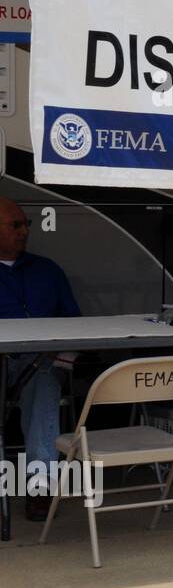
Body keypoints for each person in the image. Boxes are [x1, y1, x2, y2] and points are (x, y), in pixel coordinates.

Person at [0, 197, 82, 520]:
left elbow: (77, 323)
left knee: (46, 382)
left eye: (26, 225)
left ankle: (40, 486)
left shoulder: (47, 270)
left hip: (38, 363)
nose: (24, 232)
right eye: (15, 225)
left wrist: (61, 356)